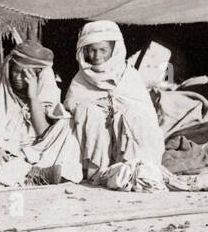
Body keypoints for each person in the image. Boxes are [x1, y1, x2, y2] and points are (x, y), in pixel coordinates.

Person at [0, 41, 82, 186]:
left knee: (66, 125)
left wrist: (33, 98)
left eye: (25, 74)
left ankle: (28, 174)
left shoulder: (44, 92)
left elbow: (43, 132)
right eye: (16, 71)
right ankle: (31, 176)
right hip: (9, 156)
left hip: (38, 152)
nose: (18, 77)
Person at [62, 20, 167, 192]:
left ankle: (136, 168)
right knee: (89, 113)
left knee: (136, 114)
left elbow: (146, 113)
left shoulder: (130, 75)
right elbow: (71, 110)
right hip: (95, 150)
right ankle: (100, 172)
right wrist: (94, 110)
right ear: (84, 51)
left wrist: (120, 112)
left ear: (114, 49)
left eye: (103, 50)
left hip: (128, 146)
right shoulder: (80, 80)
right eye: (92, 50)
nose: (97, 56)